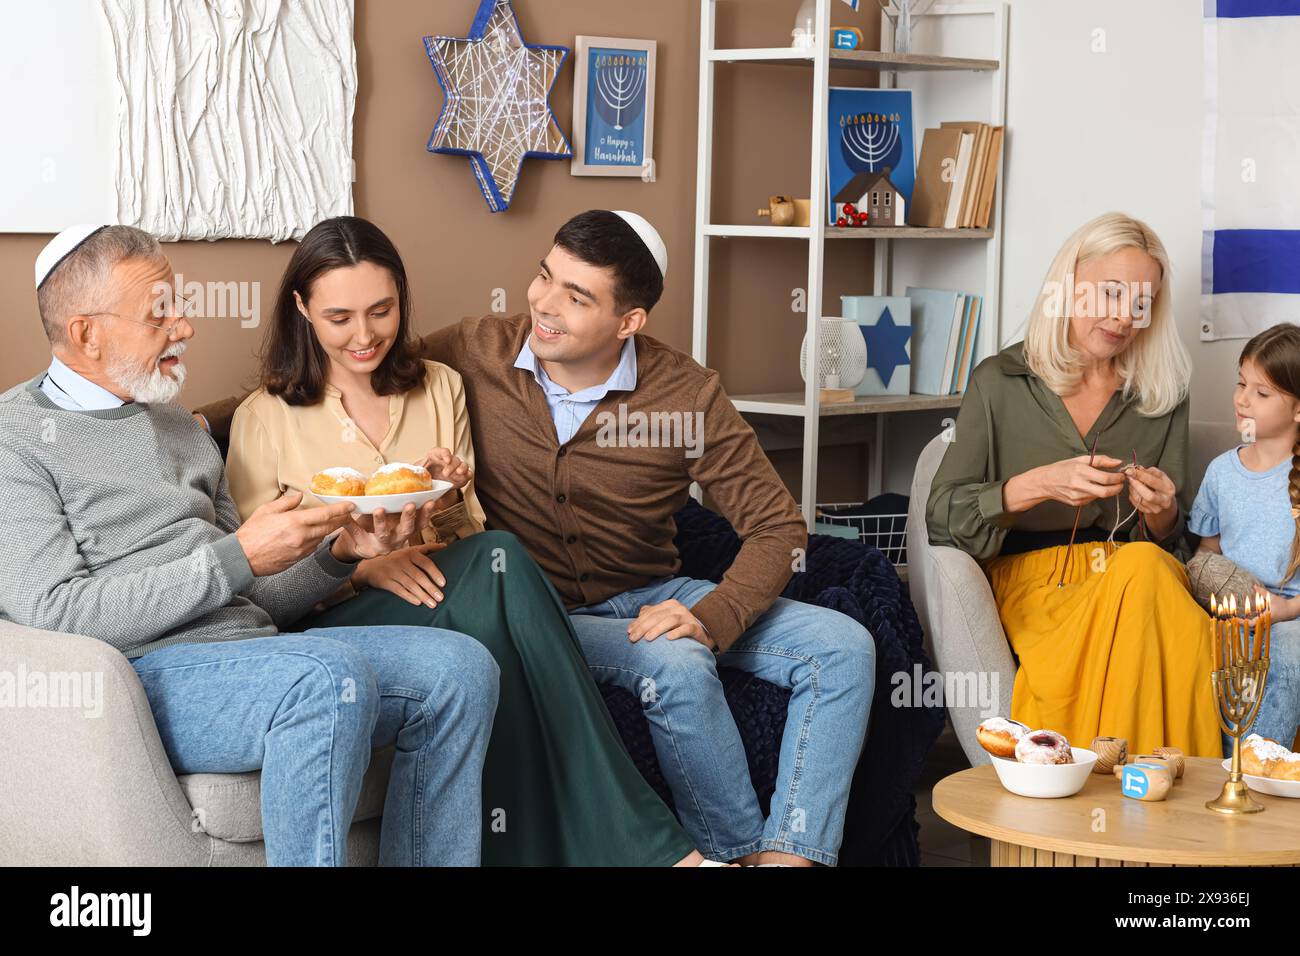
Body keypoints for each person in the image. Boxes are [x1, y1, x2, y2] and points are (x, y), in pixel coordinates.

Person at [0, 223, 500, 866]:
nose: (184, 327)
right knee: (327, 677)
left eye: (176, 306)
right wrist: (235, 555)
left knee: (459, 671)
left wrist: (339, 552)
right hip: (144, 673)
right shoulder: (15, 438)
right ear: (86, 333)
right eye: (160, 315)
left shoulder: (178, 424)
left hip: (254, 656)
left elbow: (256, 594)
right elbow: (55, 613)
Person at [225, 215, 706, 866]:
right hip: (336, 619)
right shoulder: (263, 417)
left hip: (445, 588)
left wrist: (451, 493)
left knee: (496, 576)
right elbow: (259, 585)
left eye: (382, 310)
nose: (364, 335)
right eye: (339, 318)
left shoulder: (439, 385)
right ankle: (657, 851)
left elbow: (470, 533)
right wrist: (361, 569)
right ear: (303, 309)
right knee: (501, 569)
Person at [425, 209, 876, 867]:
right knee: (672, 662)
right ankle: (736, 853)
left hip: (653, 589)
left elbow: (778, 527)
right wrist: (214, 422)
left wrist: (711, 615)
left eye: (576, 298)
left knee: (845, 646)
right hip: (541, 617)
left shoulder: (686, 394)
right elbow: (358, 368)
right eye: (544, 277)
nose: (543, 306)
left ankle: (788, 858)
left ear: (628, 322)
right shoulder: (475, 349)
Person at [927, 211, 1219, 756]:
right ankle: (1154, 787)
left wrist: (1161, 512)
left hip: (1137, 577)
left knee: (1151, 576)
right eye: (1109, 293)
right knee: (1151, 585)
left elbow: (1171, 543)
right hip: (1033, 580)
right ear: (1070, 285)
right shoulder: (1000, 380)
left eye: (1139, 303)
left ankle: (1142, 804)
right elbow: (942, 516)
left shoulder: (1163, 393)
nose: (1123, 317)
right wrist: (1035, 484)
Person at [1190, 323, 1300, 750]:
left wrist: (1285, 610)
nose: (1241, 399)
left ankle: (1257, 774)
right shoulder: (1221, 472)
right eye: (1241, 383)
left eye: (1261, 392)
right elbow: (1205, 556)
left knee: (1284, 663)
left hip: (1290, 616)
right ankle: (1221, 775)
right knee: (1211, 658)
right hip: (1233, 613)